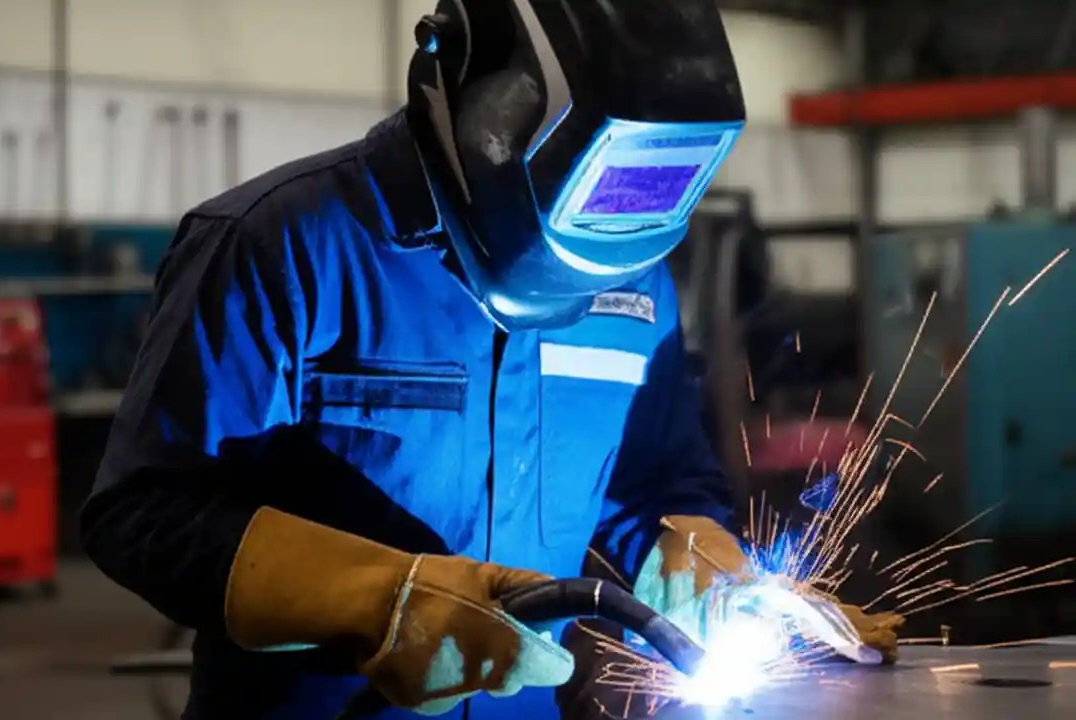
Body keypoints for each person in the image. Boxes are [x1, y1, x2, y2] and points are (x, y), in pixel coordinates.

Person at [80, 2, 900, 718]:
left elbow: (651, 481)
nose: (614, 234)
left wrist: (696, 558)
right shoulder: (281, 246)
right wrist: (373, 599)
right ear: (488, 101)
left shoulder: (635, 283)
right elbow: (142, 511)